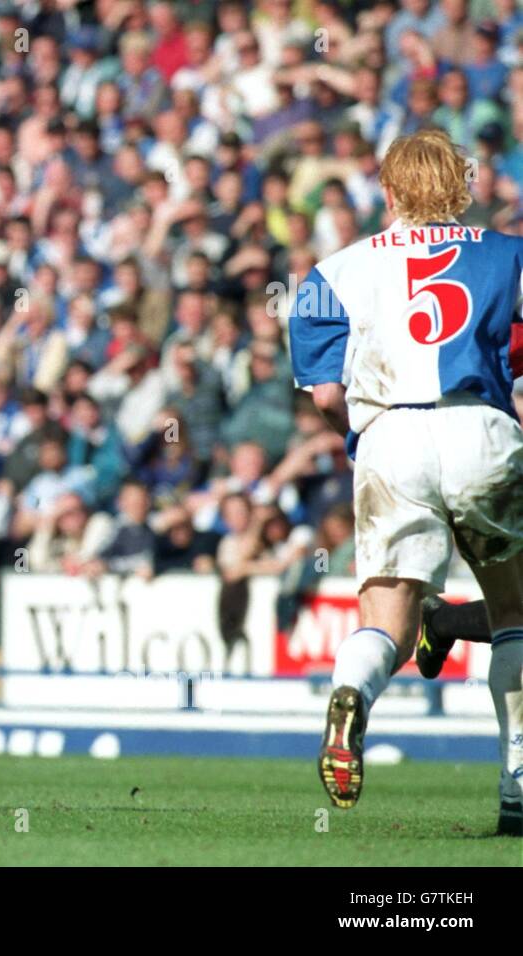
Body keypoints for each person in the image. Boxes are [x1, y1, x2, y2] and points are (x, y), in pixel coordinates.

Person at [290, 129, 523, 835]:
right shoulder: (508, 255)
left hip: (389, 436)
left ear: (387, 192)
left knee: (385, 620)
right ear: (463, 186)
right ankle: (517, 782)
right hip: (480, 427)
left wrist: (363, 443)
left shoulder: (332, 273)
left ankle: (351, 692)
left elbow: (327, 397)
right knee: (516, 614)